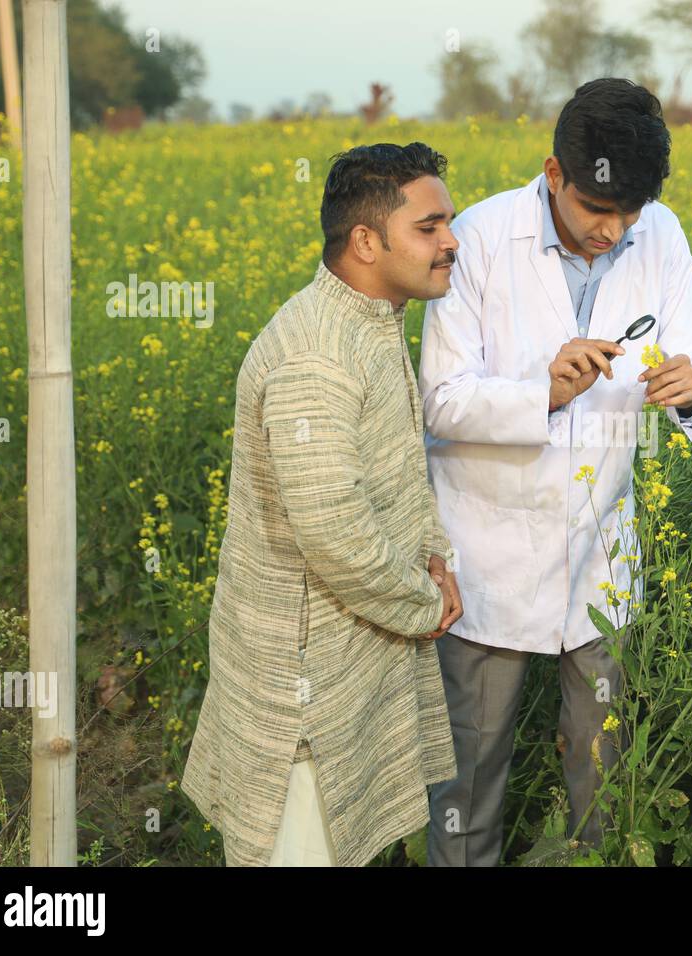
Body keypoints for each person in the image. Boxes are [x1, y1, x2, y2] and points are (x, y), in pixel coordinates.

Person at [420, 79, 692, 866]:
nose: (614, 231)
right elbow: (443, 401)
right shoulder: (480, 239)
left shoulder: (658, 233)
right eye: (599, 211)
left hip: (601, 549)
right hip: (486, 555)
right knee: (470, 775)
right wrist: (545, 391)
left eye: (629, 213)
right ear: (554, 173)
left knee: (602, 768)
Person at [181, 142, 464, 866]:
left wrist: (434, 556)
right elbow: (335, 531)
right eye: (429, 228)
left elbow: (398, 466)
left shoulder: (370, 320)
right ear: (367, 241)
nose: (451, 242)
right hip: (302, 695)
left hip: (352, 654)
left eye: (448, 224)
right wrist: (423, 604)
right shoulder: (317, 354)